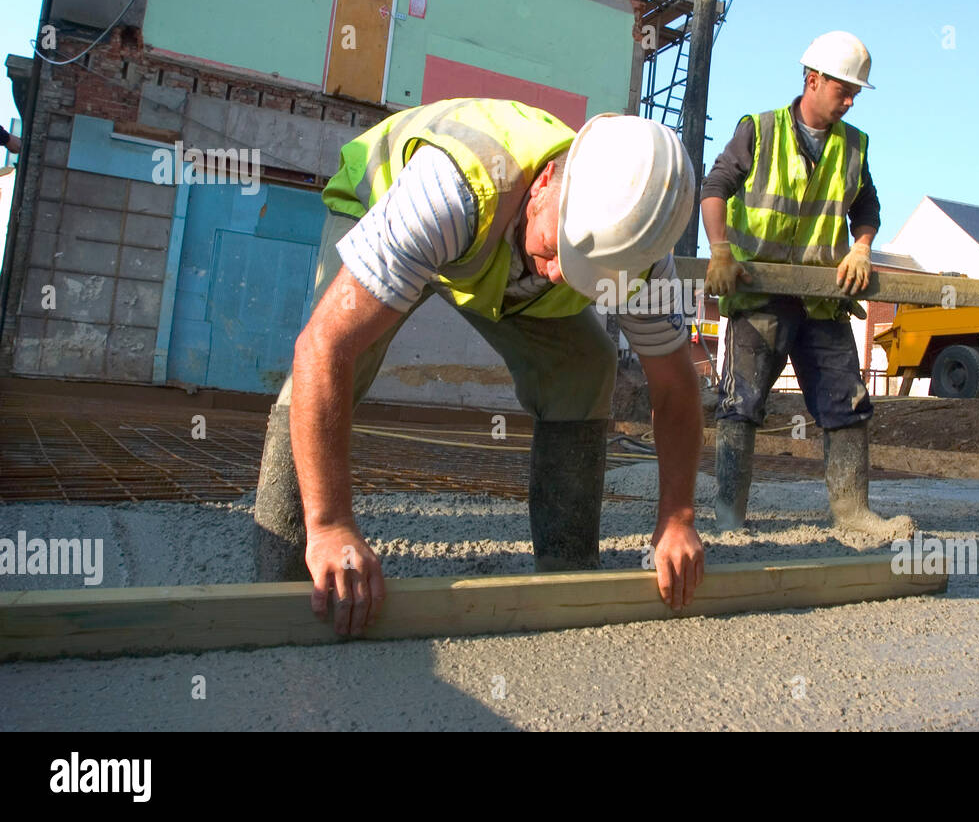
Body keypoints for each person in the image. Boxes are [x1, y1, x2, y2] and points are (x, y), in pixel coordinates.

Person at [254, 98, 705, 635]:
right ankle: (277, 581)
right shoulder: (449, 191)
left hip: (487, 260)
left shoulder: (641, 252)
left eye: (587, 273)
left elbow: (676, 389)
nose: (560, 275)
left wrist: (677, 517)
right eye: (556, 249)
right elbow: (322, 349)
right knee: (344, 355)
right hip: (381, 202)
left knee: (586, 364)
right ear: (542, 187)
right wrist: (331, 525)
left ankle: (566, 574)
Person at [699, 31, 915, 538]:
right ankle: (729, 518)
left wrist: (861, 246)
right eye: (844, 89)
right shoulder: (761, 129)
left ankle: (853, 514)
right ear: (812, 80)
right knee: (741, 404)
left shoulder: (853, 145)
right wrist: (721, 251)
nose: (851, 99)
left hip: (822, 299)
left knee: (847, 403)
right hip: (759, 293)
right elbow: (715, 187)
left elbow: (867, 206)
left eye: (855, 92)